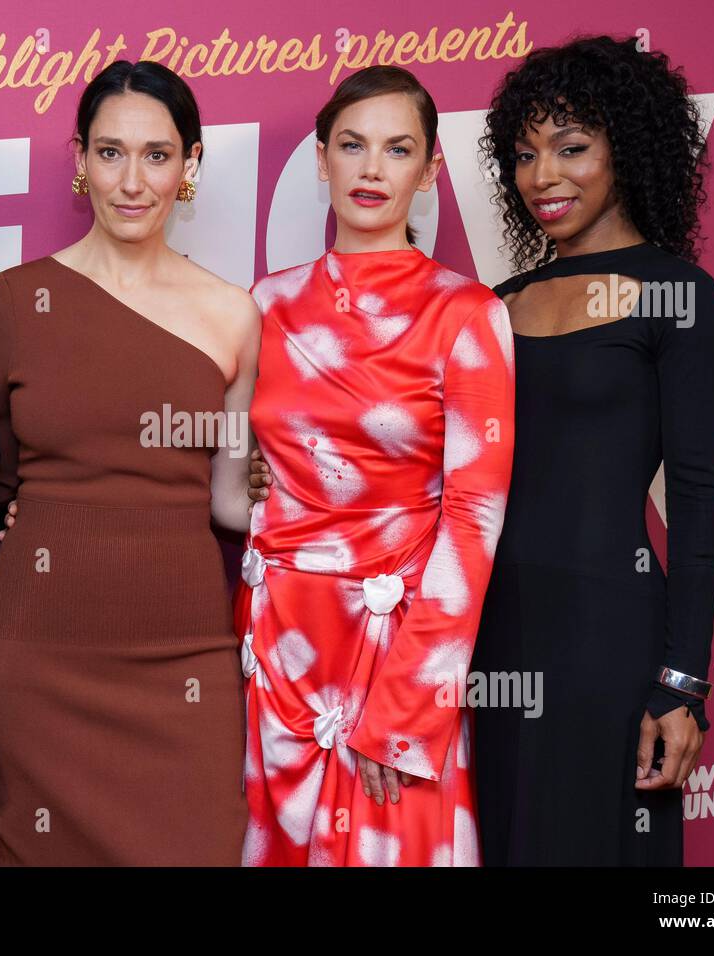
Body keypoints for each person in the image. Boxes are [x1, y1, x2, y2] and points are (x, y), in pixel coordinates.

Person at [0, 60, 259, 865]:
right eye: (110, 153)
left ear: (190, 165)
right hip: (38, 665)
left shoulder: (233, 313)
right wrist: (12, 510)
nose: (132, 181)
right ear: (79, 159)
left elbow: (232, 504)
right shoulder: (8, 305)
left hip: (184, 660)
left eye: (157, 155)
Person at [234, 65, 515, 866]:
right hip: (281, 654)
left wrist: (404, 710)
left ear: (429, 172)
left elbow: (473, 519)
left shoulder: (467, 313)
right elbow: (250, 463)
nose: (370, 169)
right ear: (320, 159)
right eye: (351, 146)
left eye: (398, 150)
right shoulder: (266, 304)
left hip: (395, 658)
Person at [470, 34, 714, 864]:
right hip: (492, 644)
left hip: (610, 643)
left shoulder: (678, 295)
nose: (543, 176)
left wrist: (682, 683)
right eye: (524, 154)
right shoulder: (490, 306)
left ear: (629, 144)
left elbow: (696, 502)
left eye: (572, 148)